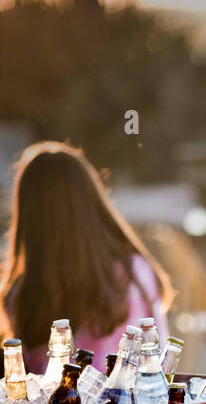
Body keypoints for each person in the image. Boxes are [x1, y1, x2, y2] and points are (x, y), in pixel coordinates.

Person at [0, 142, 172, 373]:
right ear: (93, 202)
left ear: (29, 216)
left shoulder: (21, 295)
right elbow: (161, 361)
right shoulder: (135, 273)